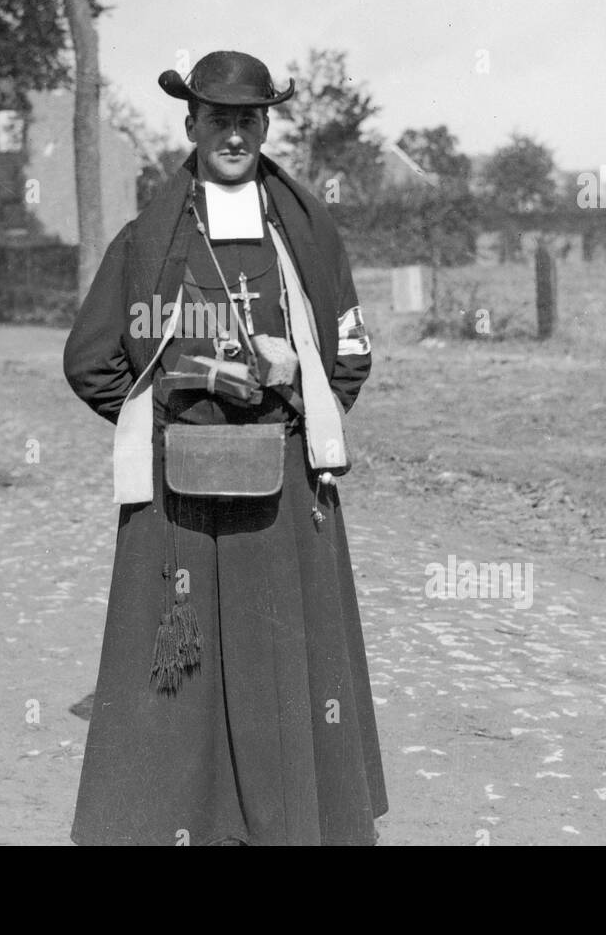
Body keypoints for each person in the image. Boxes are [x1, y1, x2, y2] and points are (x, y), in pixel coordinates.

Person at [63, 50, 387, 846]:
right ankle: (189, 821)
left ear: (265, 125)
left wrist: (293, 391)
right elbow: (90, 359)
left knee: (284, 660)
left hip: (281, 483)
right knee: (185, 669)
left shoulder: (306, 234)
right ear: (192, 126)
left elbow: (350, 353)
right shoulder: (149, 239)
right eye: (219, 119)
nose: (234, 134)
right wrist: (169, 415)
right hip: (184, 490)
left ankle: (292, 820)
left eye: (248, 119)